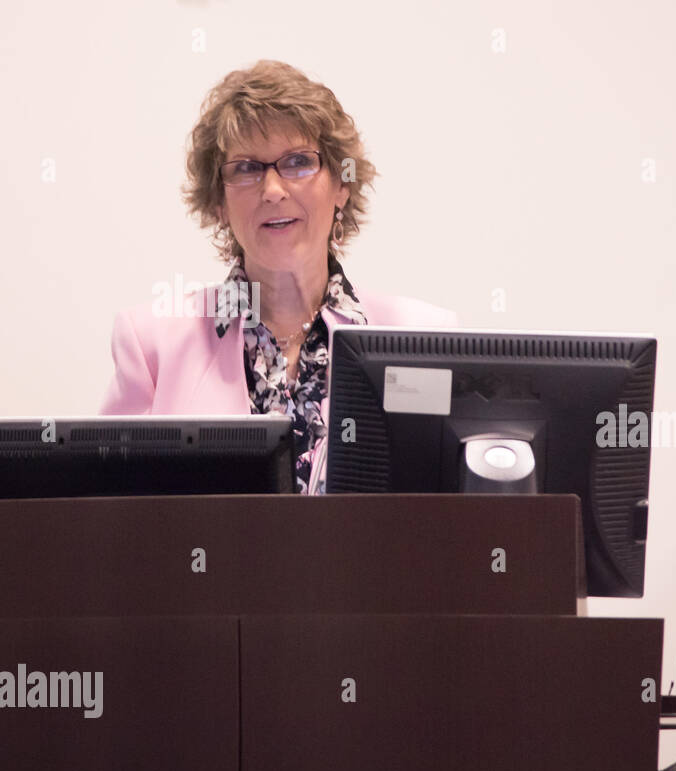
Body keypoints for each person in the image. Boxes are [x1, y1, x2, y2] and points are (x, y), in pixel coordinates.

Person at [100, 60, 455, 492]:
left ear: (341, 185)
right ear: (219, 202)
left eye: (298, 162)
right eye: (246, 168)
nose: (272, 190)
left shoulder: (424, 338)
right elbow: (115, 520)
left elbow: (442, 517)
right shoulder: (151, 343)